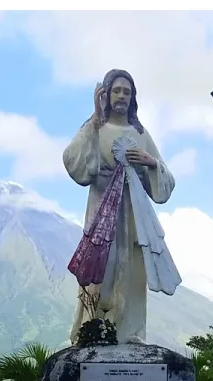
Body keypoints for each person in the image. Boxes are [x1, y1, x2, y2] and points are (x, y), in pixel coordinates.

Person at [63, 68, 181, 345]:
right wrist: (94, 117)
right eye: (116, 90)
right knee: (103, 268)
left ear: (133, 97)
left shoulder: (139, 133)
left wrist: (150, 162)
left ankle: (130, 331)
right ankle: (94, 328)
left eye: (127, 92)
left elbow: (166, 180)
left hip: (132, 215)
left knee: (133, 270)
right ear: (106, 94)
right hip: (102, 213)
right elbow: (74, 162)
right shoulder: (95, 128)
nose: (121, 96)